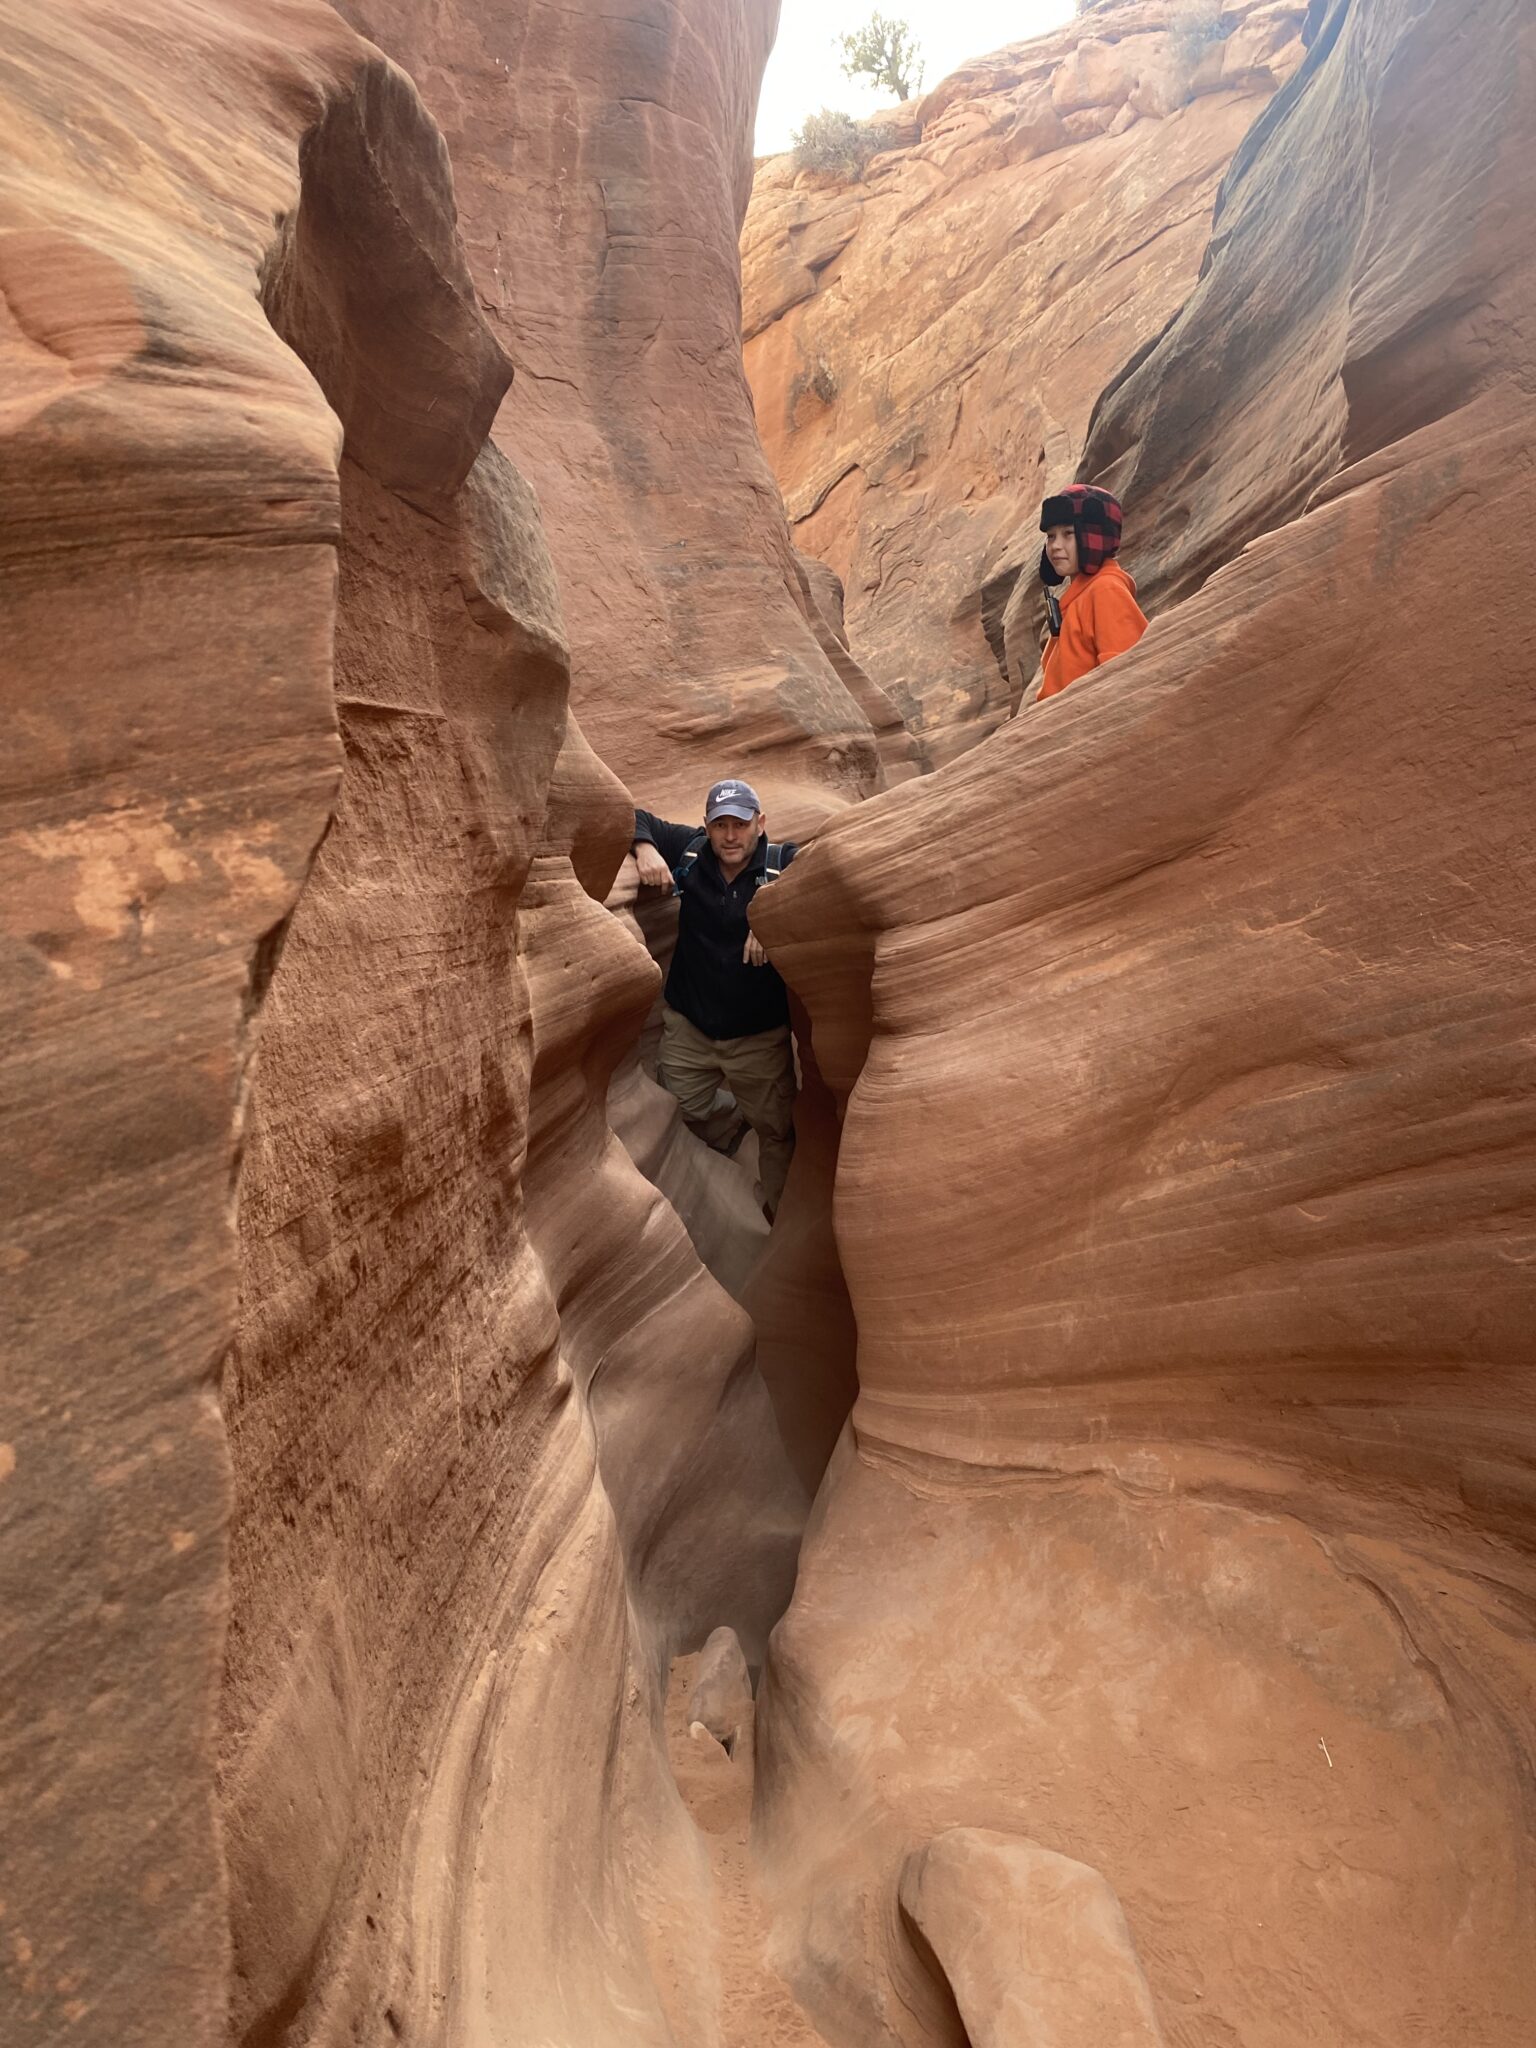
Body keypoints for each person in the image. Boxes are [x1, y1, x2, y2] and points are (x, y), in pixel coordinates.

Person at [631, 779, 798, 1219]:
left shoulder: (783, 864)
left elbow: (833, 874)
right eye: (720, 825)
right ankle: (732, 1120)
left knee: (777, 1132)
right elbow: (633, 816)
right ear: (705, 826)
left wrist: (770, 918)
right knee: (679, 1107)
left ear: (759, 824)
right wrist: (645, 847)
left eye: (740, 825)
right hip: (692, 1030)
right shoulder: (691, 851)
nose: (729, 836)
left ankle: (780, 1219)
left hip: (759, 1038)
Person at [1036, 483, 1148, 701]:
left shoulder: (1106, 590)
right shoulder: (1078, 597)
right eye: (1050, 536)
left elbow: (1126, 678)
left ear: (1094, 536)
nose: (1055, 546)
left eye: (1068, 533)